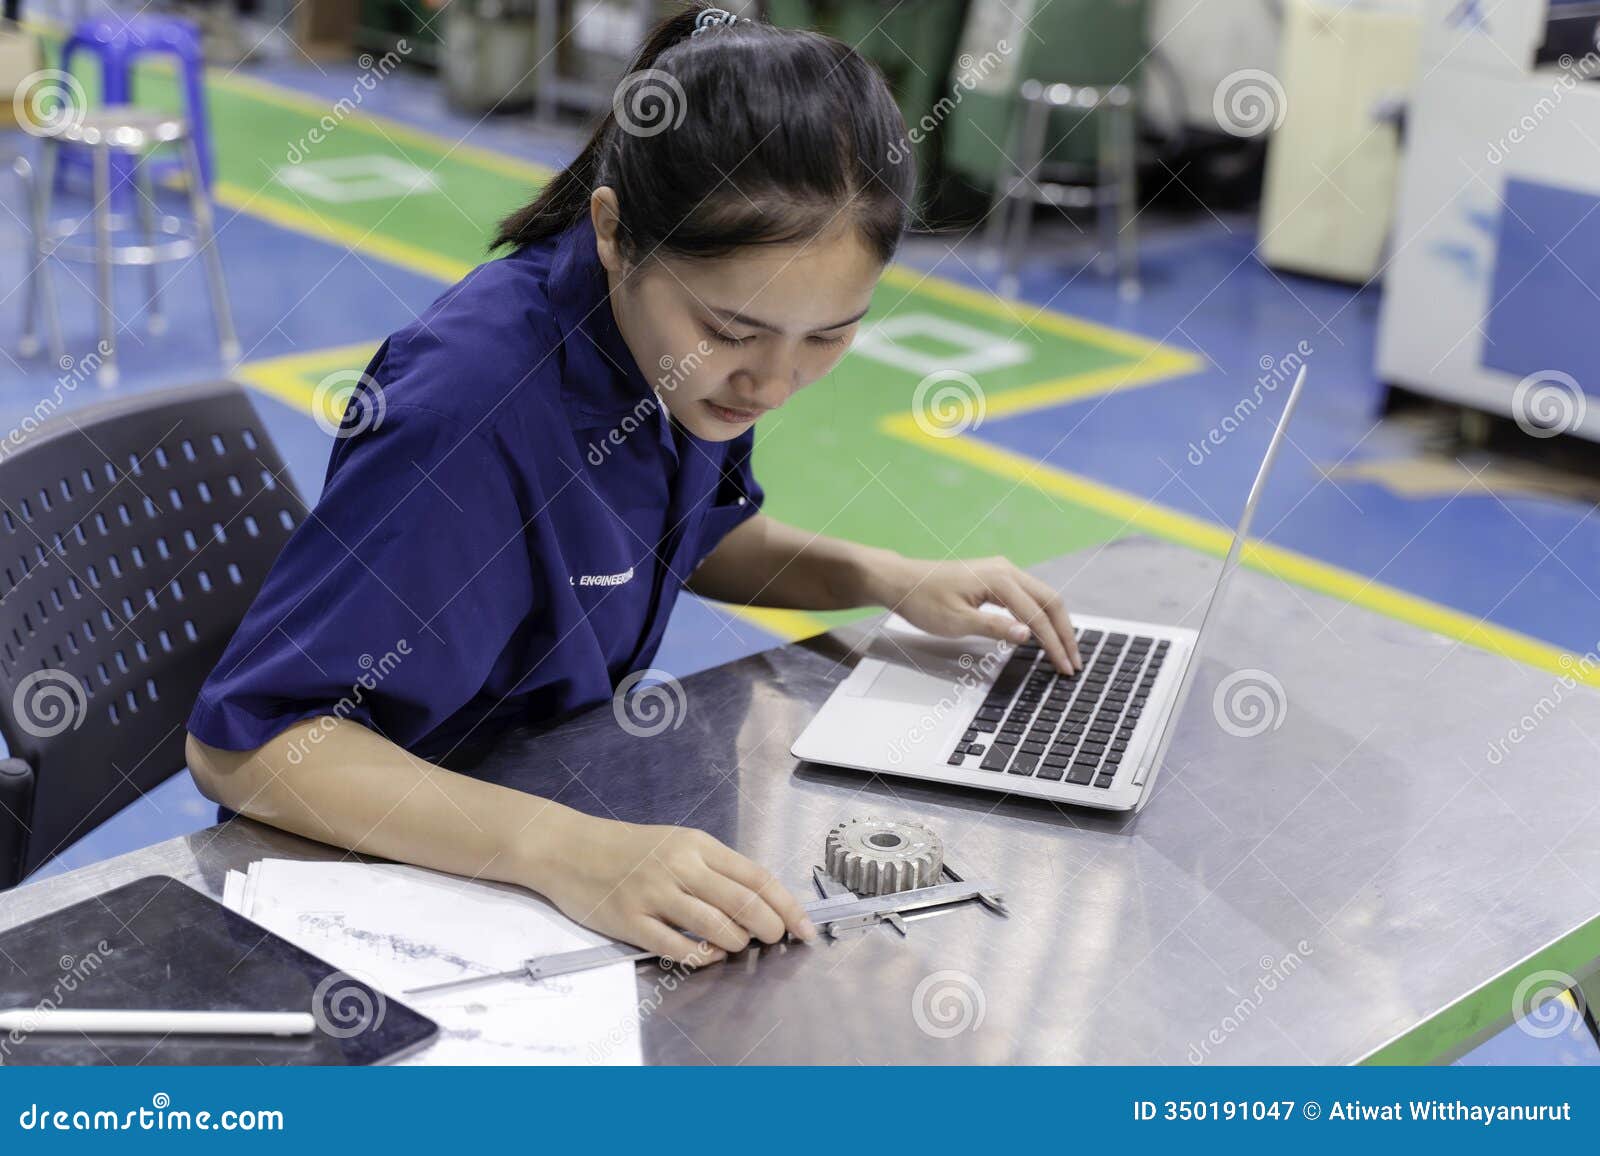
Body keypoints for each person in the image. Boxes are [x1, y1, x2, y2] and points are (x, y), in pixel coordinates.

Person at [186, 5, 1081, 968]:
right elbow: (248, 750)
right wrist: (567, 852)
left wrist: (884, 576)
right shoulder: (472, 413)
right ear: (614, 231)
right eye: (733, 332)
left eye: (828, 336)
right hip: (391, 875)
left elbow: (682, 535)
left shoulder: (670, 355)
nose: (773, 384)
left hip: (548, 798)